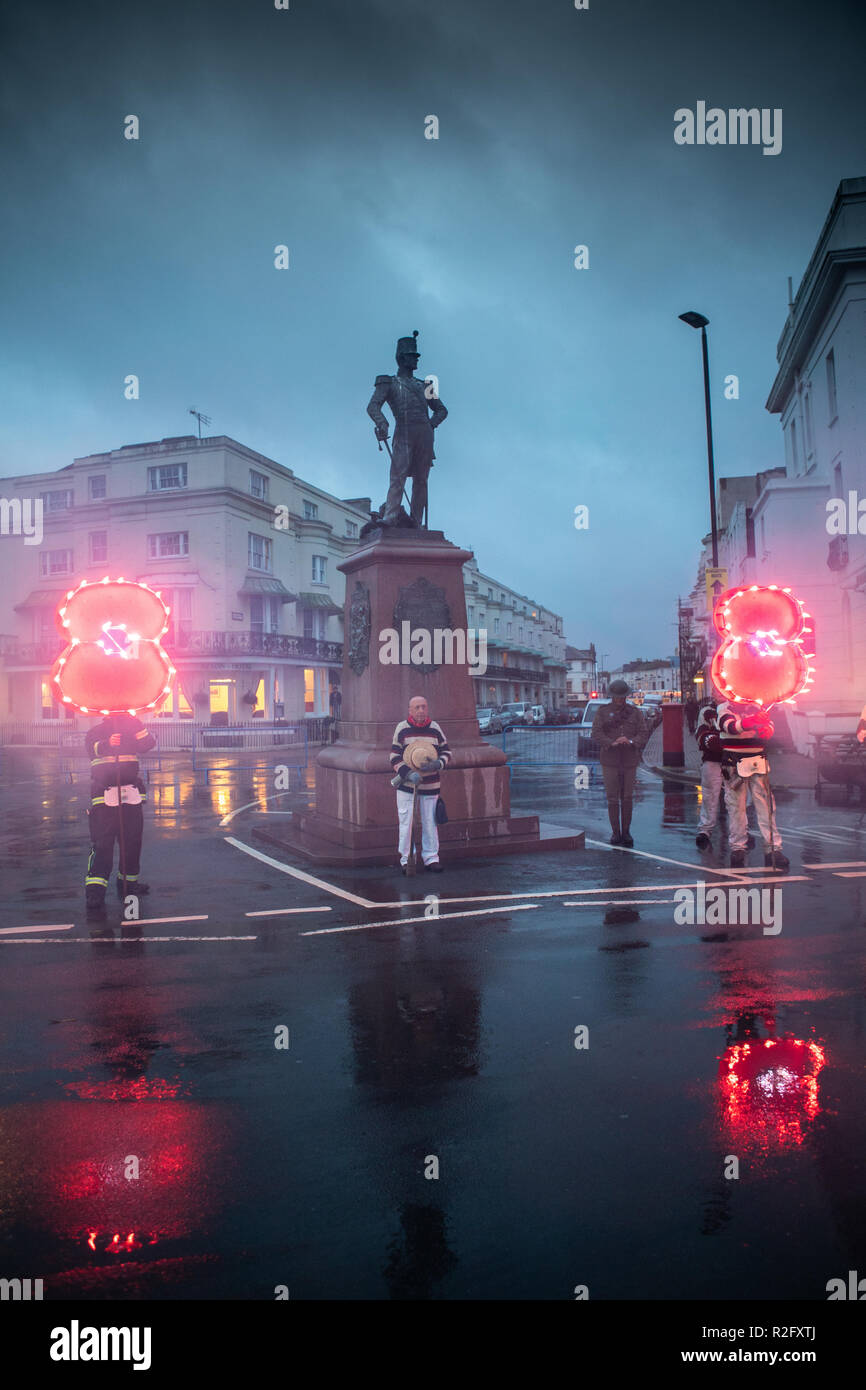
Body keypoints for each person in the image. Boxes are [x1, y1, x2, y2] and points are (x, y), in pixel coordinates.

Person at [366, 331, 448, 527]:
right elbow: (373, 406)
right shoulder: (389, 382)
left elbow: (441, 410)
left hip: (424, 434)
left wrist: (431, 424)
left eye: (416, 356)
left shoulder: (425, 385)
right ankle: (390, 517)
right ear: (402, 358)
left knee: (421, 480)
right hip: (403, 432)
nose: (416, 360)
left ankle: (416, 521)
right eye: (412, 356)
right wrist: (382, 423)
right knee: (398, 475)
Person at [84, 713, 156, 918]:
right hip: (104, 797)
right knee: (103, 845)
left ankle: (128, 886)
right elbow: (92, 750)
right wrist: (107, 744)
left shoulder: (133, 727)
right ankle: (95, 893)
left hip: (130, 796)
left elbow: (148, 744)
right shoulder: (95, 732)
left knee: (132, 843)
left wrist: (137, 725)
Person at [717, 701, 789, 870]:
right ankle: (738, 848)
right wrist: (752, 721)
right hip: (733, 763)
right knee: (736, 807)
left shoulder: (757, 707)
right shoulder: (725, 708)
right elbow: (729, 727)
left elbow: (769, 729)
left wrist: (765, 730)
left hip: (758, 761)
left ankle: (773, 849)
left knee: (766, 807)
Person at [390, 695, 452, 872]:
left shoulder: (435, 728)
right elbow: (394, 756)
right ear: (410, 710)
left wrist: (438, 764)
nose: (420, 710)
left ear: (428, 708)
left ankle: (431, 858)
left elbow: (446, 751)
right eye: (416, 707)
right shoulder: (402, 728)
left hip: (431, 784)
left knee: (430, 822)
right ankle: (406, 859)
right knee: (406, 822)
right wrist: (408, 773)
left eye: (423, 707)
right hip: (406, 785)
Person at [591, 679, 648, 847]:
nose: (620, 700)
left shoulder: (635, 712)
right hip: (610, 759)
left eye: (622, 697)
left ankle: (626, 831)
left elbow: (643, 732)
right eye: (617, 697)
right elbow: (596, 732)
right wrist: (611, 742)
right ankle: (616, 832)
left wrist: (630, 741)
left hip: (629, 759)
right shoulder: (603, 712)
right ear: (612, 696)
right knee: (612, 798)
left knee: (628, 797)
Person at [695, 704, 724, 850]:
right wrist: (727, 741)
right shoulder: (708, 712)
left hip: (736, 762)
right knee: (709, 796)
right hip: (713, 760)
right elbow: (702, 736)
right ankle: (705, 830)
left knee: (738, 800)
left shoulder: (741, 709)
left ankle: (741, 832)